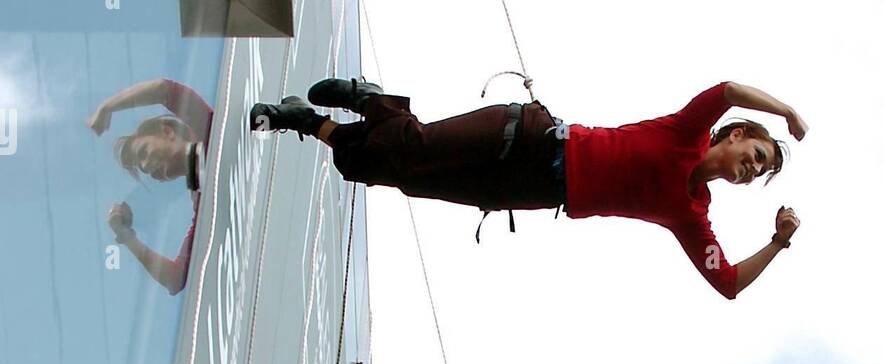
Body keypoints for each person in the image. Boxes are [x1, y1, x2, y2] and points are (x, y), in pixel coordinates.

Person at [250, 77, 807, 299]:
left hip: (529, 190)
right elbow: (729, 88)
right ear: (734, 137)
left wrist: (778, 244)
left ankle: (305, 122)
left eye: (755, 174)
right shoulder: (687, 132)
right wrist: (785, 112)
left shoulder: (690, 213)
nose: (747, 170)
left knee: (390, 173)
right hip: (533, 136)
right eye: (753, 156)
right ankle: (373, 102)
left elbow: (728, 282)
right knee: (412, 148)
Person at [88, 78, 213, 295]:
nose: (146, 166)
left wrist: (108, 107)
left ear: (167, 132)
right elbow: (175, 278)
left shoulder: (208, 128)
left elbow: (163, 90)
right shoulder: (201, 203)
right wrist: (127, 237)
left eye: (144, 152)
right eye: (142, 169)